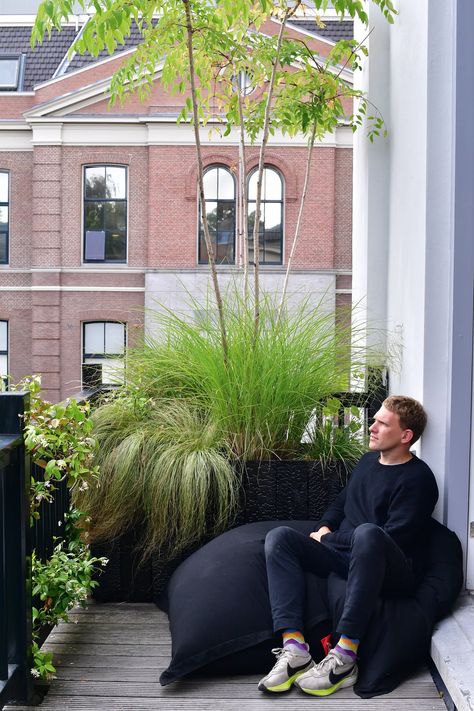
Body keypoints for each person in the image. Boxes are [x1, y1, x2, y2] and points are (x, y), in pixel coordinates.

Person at [258, 395, 438, 697]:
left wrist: (327, 539)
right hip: (345, 556)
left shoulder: (419, 479)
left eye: (382, 423)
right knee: (279, 538)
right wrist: (324, 526)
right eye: (375, 420)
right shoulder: (368, 462)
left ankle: (344, 658)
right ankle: (295, 649)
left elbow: (388, 538)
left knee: (369, 534)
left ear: (406, 436)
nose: (372, 427)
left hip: (388, 570)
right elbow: (342, 502)